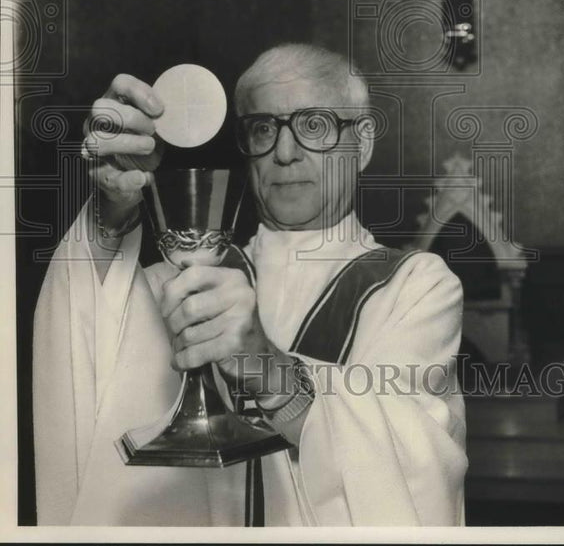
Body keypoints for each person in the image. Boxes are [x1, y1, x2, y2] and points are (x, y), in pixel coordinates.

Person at [33, 43, 467, 526]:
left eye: (314, 125)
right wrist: (109, 208)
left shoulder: (414, 286)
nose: (283, 153)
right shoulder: (185, 278)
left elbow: (417, 460)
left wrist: (271, 371)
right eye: (263, 128)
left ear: (362, 142)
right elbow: (80, 352)